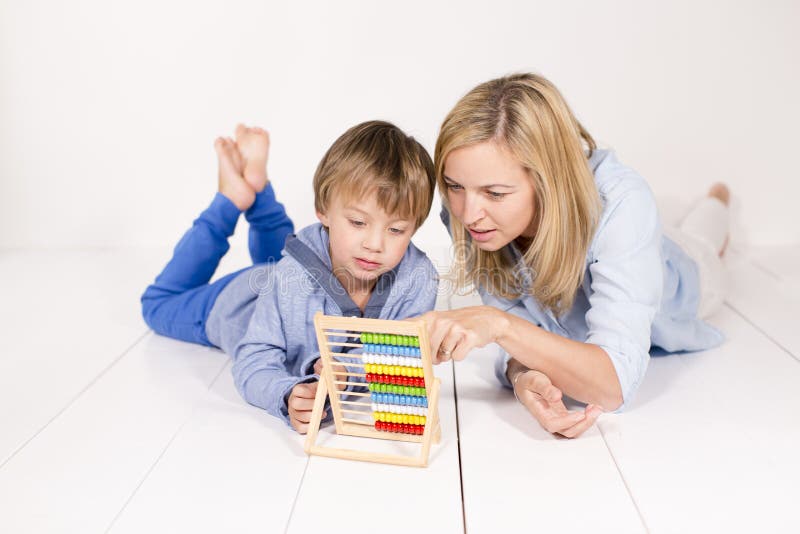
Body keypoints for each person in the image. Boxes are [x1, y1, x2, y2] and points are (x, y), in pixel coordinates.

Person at [422, 73, 728, 438]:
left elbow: (613, 385)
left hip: (683, 273)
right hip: (626, 238)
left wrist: (497, 325)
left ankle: (718, 199)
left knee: (706, 237)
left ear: (547, 179)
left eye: (496, 194)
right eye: (455, 186)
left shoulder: (622, 203)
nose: (468, 213)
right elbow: (518, 329)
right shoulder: (470, 213)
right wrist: (524, 377)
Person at [141, 121, 439, 433]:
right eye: (357, 222)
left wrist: (348, 372)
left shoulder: (418, 279)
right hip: (236, 301)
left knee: (287, 256)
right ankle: (231, 199)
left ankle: (257, 184)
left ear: (415, 227)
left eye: (396, 230)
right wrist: (284, 395)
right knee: (157, 306)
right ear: (323, 211)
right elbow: (254, 359)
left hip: (289, 277)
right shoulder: (289, 277)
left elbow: (401, 355)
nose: (375, 244)